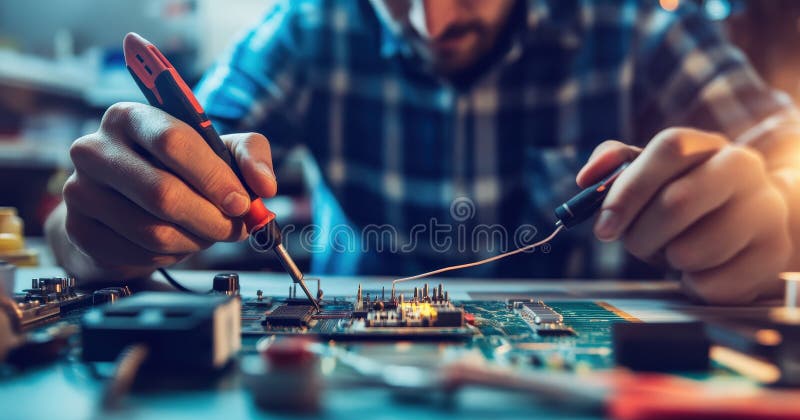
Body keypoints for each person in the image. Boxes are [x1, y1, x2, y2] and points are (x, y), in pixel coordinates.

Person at [46, 0, 800, 304]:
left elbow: (786, 164)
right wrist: (96, 228)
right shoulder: (306, 28)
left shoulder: (644, 28)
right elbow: (147, 162)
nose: (433, 22)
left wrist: (778, 216)